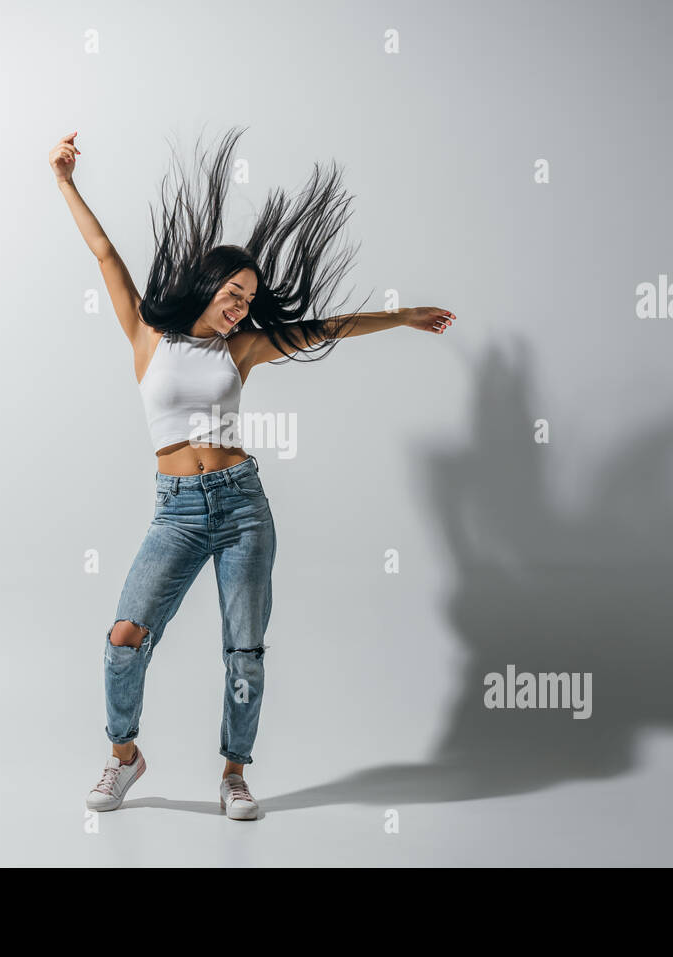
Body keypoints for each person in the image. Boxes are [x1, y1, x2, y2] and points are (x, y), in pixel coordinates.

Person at [49, 126, 453, 821]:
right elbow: (105, 252)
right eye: (233, 292)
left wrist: (402, 315)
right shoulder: (147, 333)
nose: (240, 305)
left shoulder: (242, 349)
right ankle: (124, 757)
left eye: (248, 297)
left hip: (241, 507)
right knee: (126, 636)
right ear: (208, 285)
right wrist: (64, 180)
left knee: (245, 653)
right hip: (175, 510)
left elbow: (323, 328)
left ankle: (235, 773)